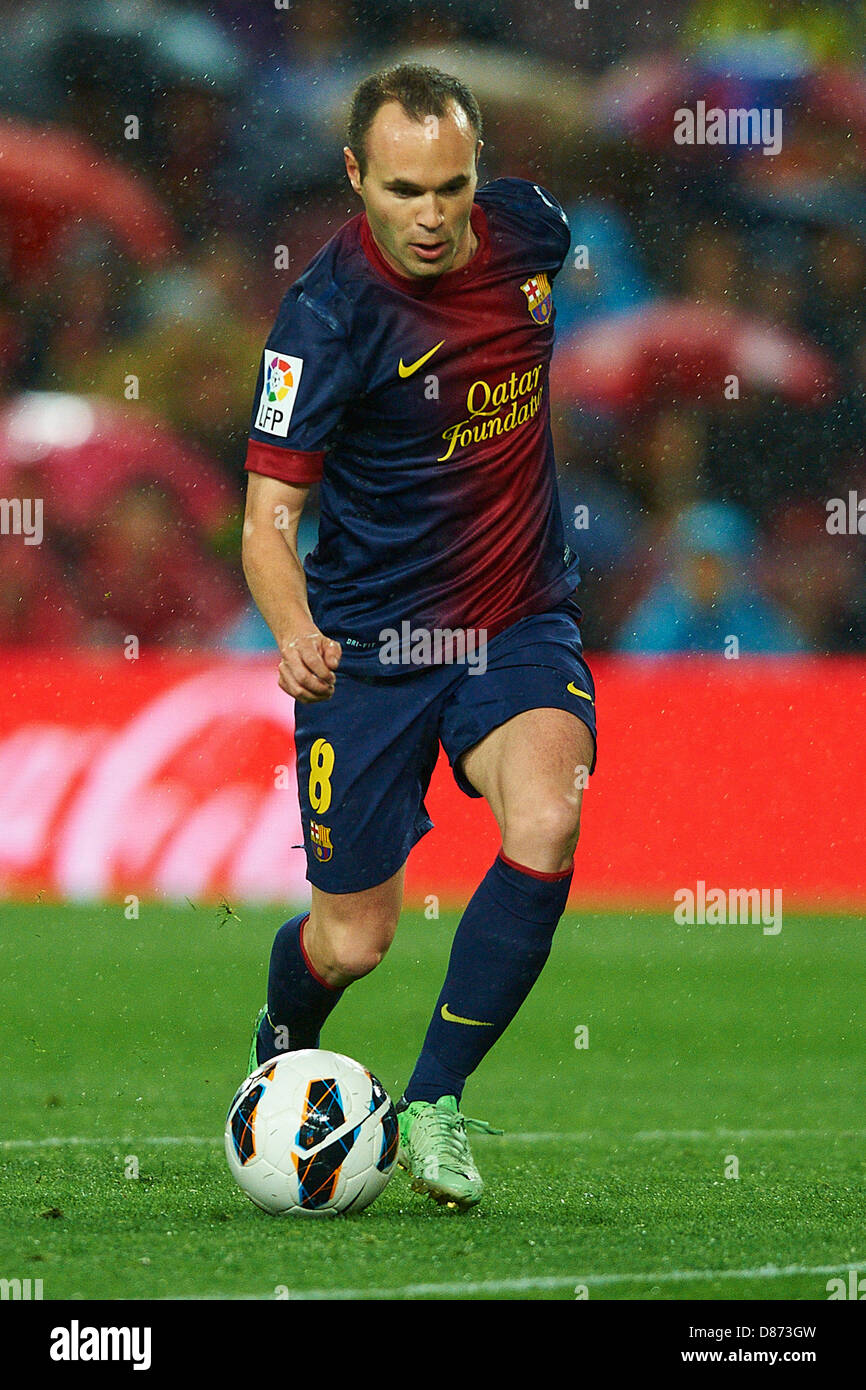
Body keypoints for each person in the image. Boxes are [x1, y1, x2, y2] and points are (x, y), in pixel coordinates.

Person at [241, 63, 597, 1209]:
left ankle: (433, 1101)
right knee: (352, 942)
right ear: (354, 177)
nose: (432, 214)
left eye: (451, 186)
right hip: (367, 646)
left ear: (479, 174)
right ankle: (280, 1043)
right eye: (403, 189)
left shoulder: (531, 233)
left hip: (512, 620)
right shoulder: (323, 320)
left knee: (545, 818)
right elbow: (266, 521)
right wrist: (293, 626)